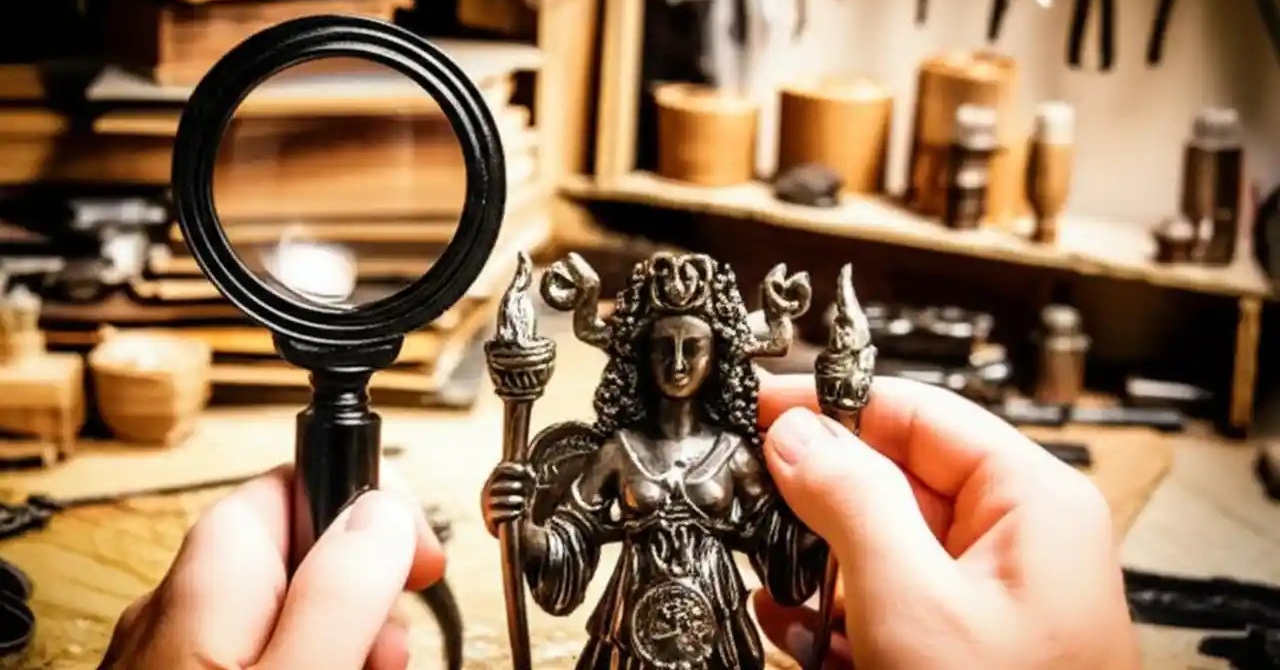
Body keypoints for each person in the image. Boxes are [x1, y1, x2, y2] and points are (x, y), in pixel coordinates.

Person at [103, 375, 1139, 670]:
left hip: (727, 636)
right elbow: (564, 570)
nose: (682, 363)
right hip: (622, 634)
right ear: (642, 356)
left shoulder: (745, 453)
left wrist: (835, 524)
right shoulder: (608, 453)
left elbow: (788, 564)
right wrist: (525, 525)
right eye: (665, 345)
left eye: (699, 345)